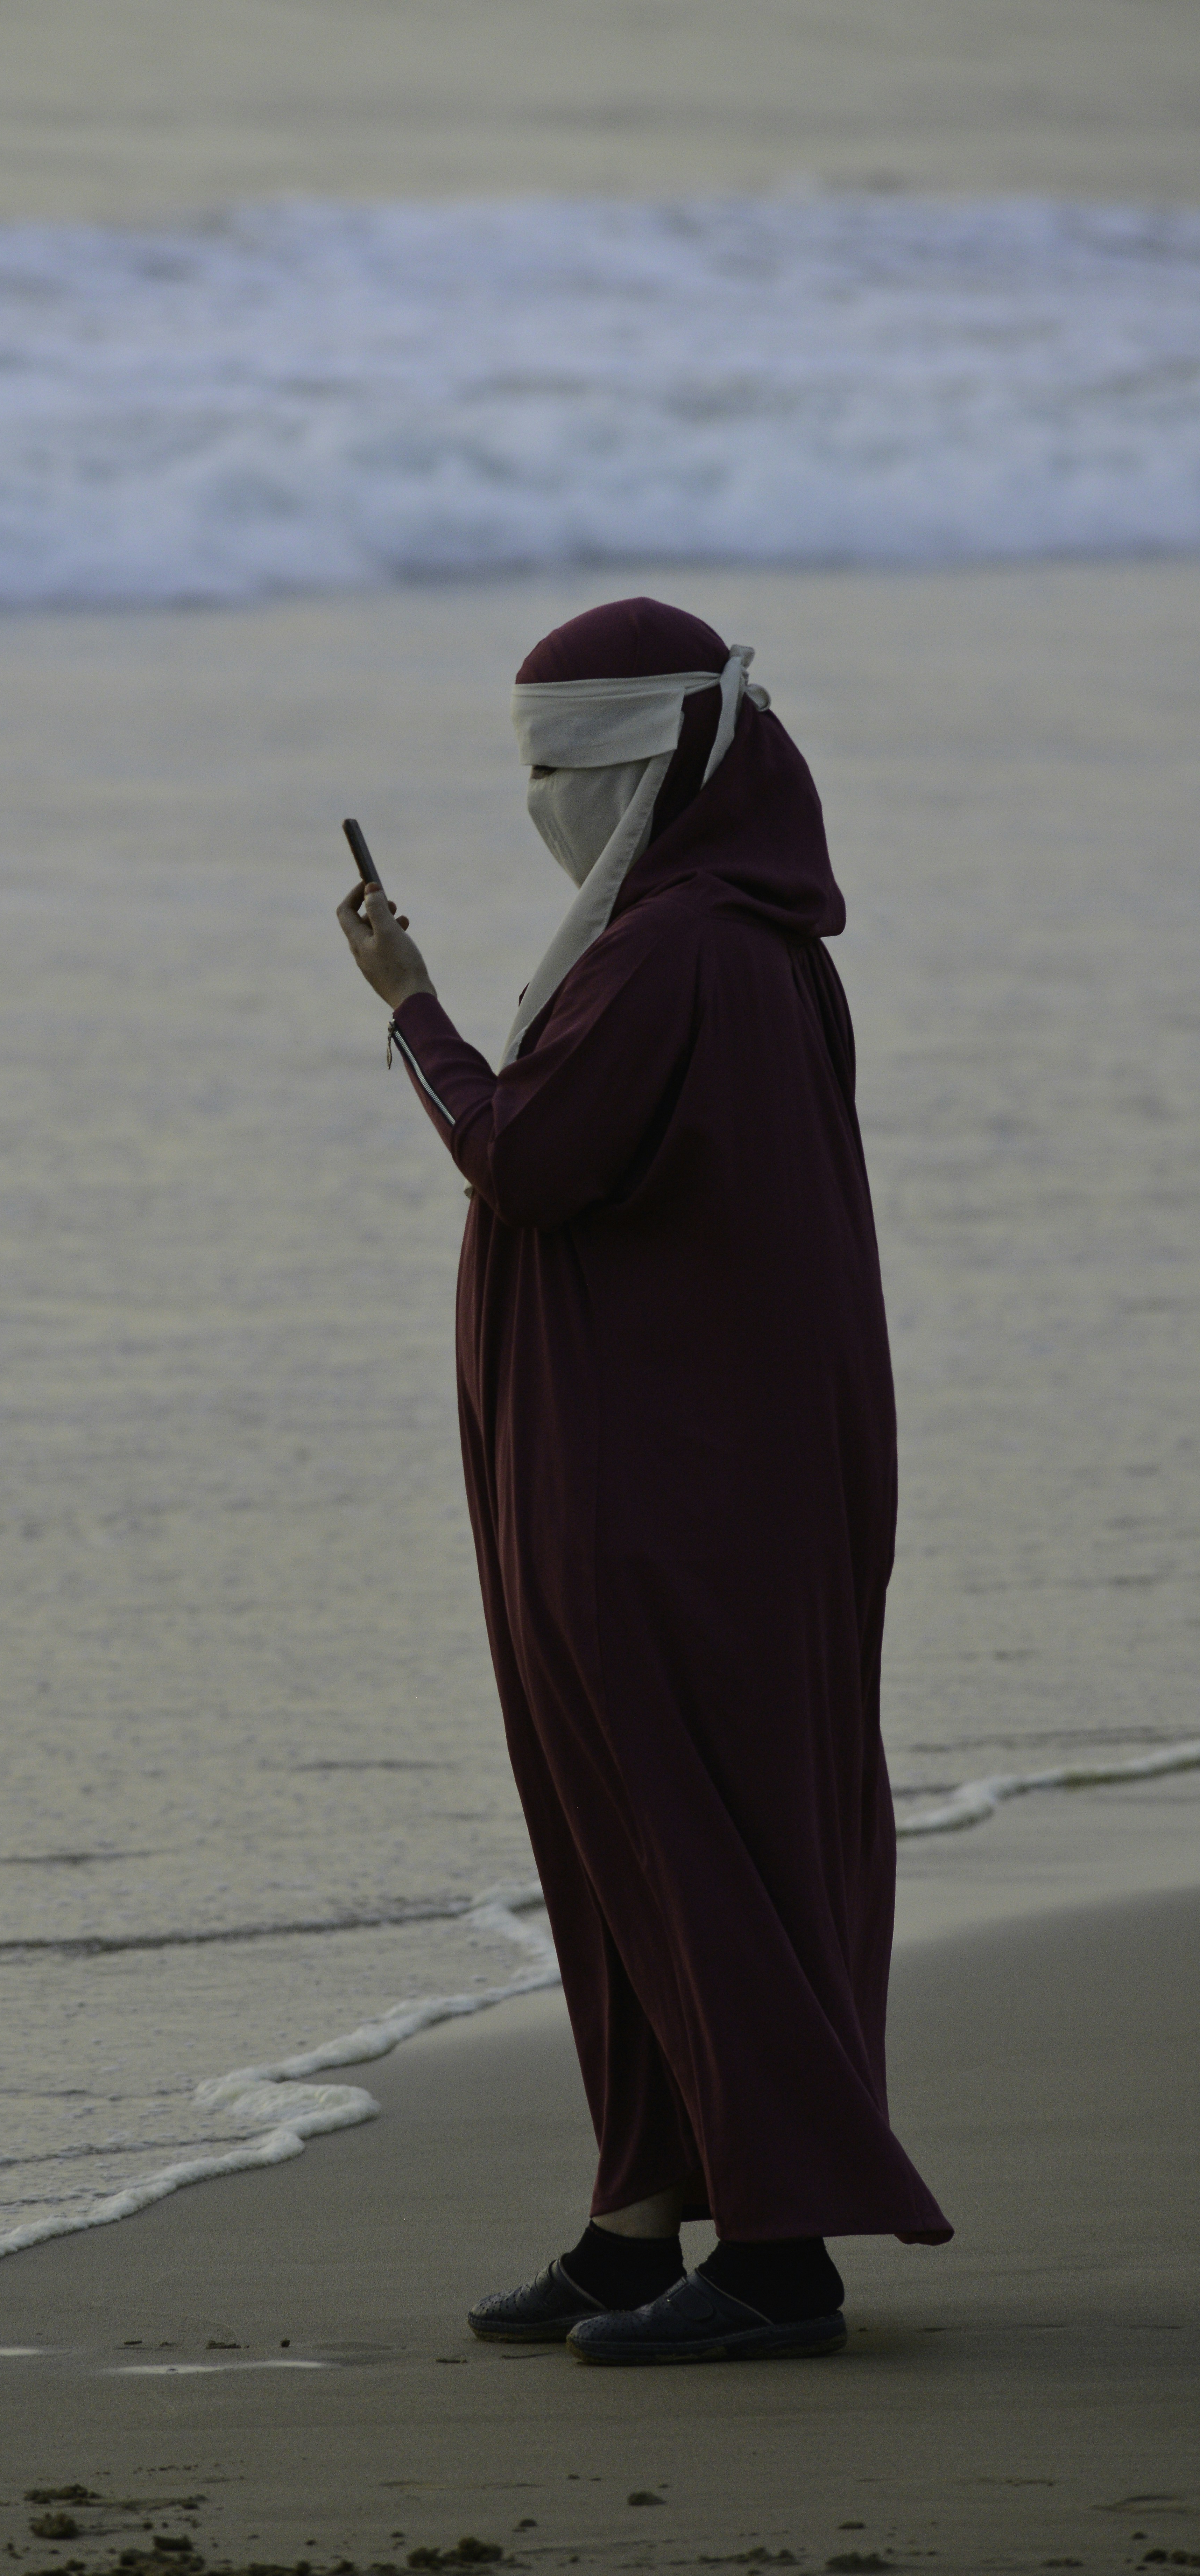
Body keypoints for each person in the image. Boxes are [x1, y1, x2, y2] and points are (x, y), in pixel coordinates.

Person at [335, 596, 950, 2367]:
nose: (546, 805)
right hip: (693, 1470)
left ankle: (774, 2252)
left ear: (659, 761)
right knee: (631, 1839)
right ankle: (637, 2219)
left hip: (661, 1489)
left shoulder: (678, 950)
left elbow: (524, 1161)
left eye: (567, 771)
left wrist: (412, 1011)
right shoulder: (726, 943)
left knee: (683, 1834)